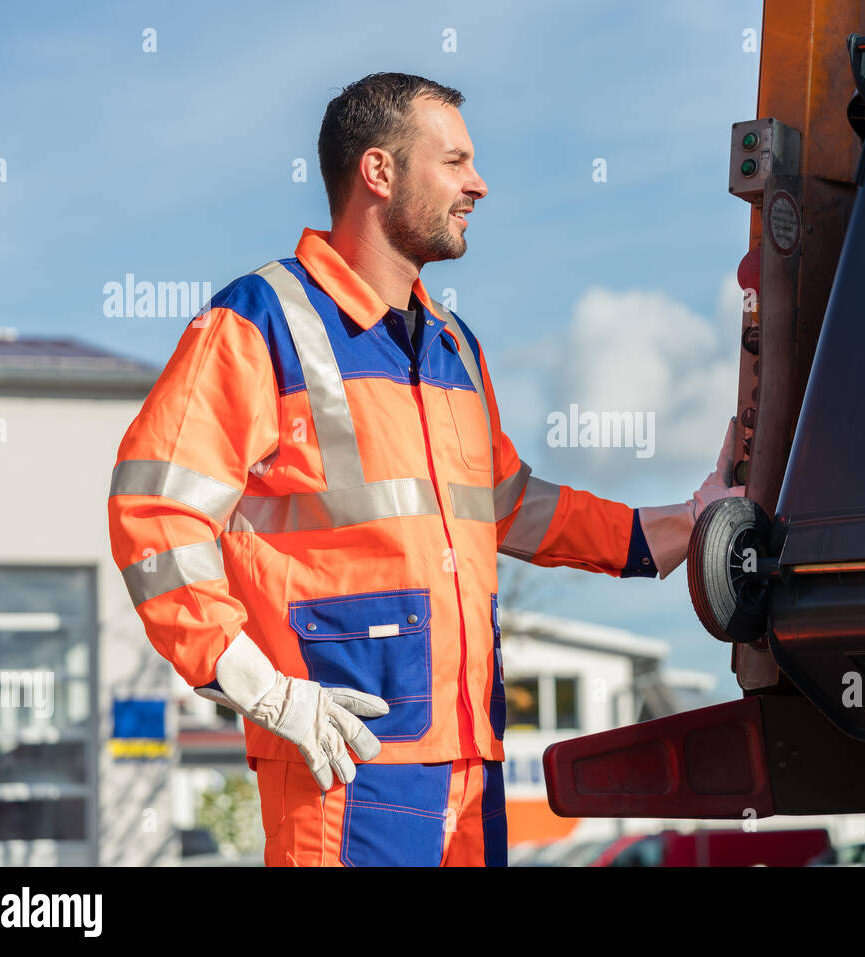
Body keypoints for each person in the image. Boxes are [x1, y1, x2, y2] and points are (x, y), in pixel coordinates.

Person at [107, 72, 741, 866]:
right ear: (380, 172)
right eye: (454, 162)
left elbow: (511, 505)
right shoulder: (259, 322)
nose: (477, 184)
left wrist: (689, 522)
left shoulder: (454, 345)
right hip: (341, 761)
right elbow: (153, 512)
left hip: (472, 766)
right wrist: (261, 688)